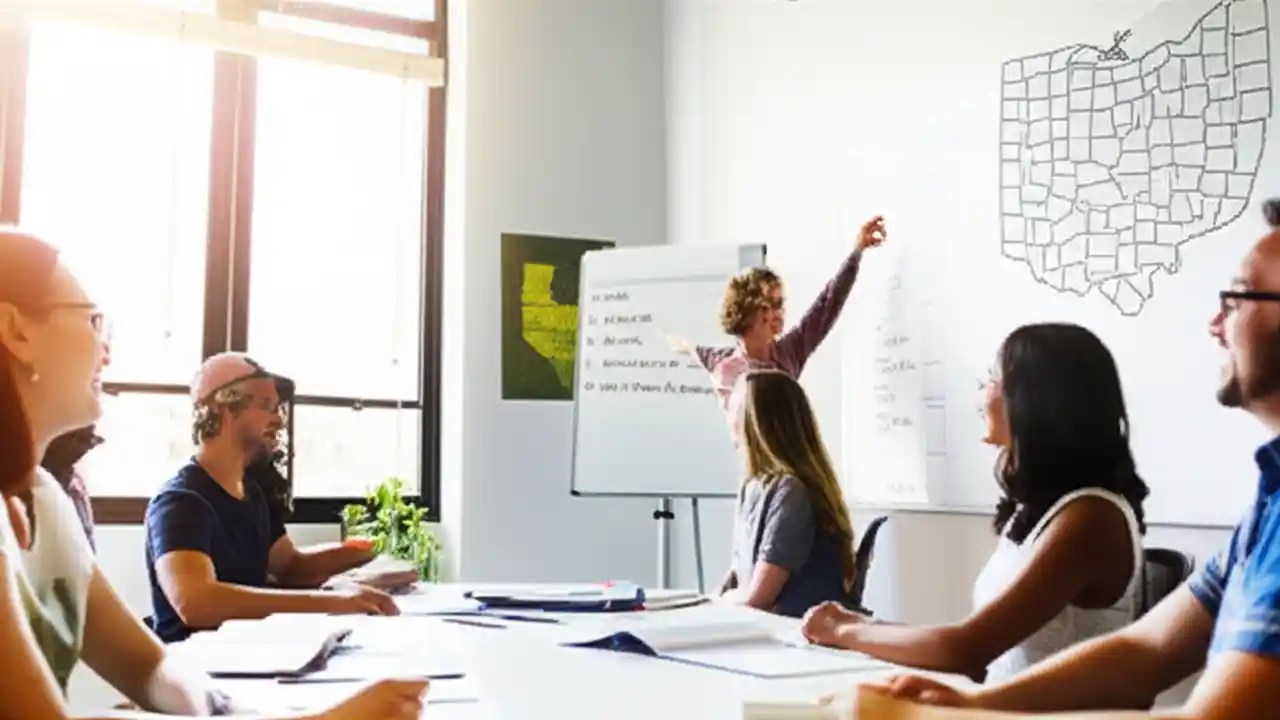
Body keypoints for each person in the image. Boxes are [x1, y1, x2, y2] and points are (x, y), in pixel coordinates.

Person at [869, 201, 1280, 718]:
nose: (1215, 323)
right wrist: (979, 704)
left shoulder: (1092, 515)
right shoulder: (1268, 508)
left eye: (1237, 299)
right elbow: (1146, 650)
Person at [0, 228, 427, 719]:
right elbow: (193, 602)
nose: (106, 349)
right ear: (16, 330)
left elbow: (152, 669)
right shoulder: (182, 498)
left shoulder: (48, 501)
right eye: (92, 320)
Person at [803, 323, 1149, 683]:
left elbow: (967, 649)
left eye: (992, 380)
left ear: (1031, 399)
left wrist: (845, 631)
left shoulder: (1091, 520)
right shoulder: (1040, 512)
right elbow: (976, 640)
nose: (982, 394)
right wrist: (862, 625)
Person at [144, 352, 400, 644]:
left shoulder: (251, 492)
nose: (278, 420)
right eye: (266, 406)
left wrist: (367, 550)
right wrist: (334, 603)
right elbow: (195, 602)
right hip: (197, 670)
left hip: (251, 657)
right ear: (223, 409)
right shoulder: (182, 501)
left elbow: (290, 567)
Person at [669, 216, 887, 445]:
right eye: (769, 305)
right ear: (746, 312)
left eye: (780, 304)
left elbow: (827, 305)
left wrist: (857, 252)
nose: (779, 313)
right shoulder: (725, 368)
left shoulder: (788, 353)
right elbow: (692, 349)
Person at [719, 370, 857, 617]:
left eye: (734, 407)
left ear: (756, 422)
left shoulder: (791, 492)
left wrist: (721, 602)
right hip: (762, 635)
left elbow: (757, 600)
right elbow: (736, 580)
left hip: (794, 640)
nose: (727, 415)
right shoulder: (753, 486)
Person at [39, 424, 102, 550]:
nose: (87, 448)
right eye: (82, 439)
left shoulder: (77, 487)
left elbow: (88, 555)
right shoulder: (27, 488)